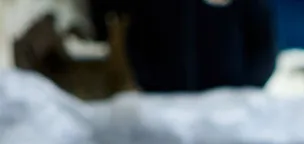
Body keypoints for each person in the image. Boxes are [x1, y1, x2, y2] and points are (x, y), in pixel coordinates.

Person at [88, 0, 277, 92]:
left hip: (230, 110)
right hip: (167, 107)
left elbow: (264, 50)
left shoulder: (248, 4)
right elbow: (138, 41)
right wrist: (151, 82)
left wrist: (243, 88)